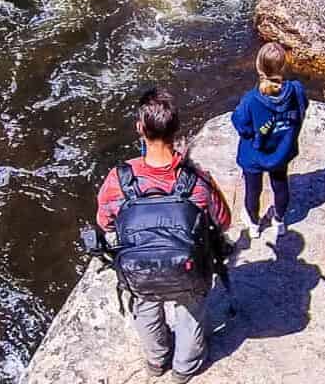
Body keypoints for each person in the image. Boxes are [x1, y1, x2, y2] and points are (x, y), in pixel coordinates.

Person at [97, 87, 231, 382]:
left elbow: (105, 222)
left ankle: (157, 361)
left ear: (139, 129)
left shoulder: (119, 178)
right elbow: (224, 221)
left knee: (145, 305)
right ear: (176, 129)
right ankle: (185, 367)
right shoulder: (197, 180)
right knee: (191, 310)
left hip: (141, 270)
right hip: (188, 269)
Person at [231, 42, 307, 240]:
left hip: (255, 155)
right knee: (280, 184)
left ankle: (254, 224)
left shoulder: (251, 99)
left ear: (259, 68)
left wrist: (257, 131)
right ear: (284, 67)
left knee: (253, 189)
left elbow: (241, 124)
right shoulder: (296, 90)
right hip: (282, 150)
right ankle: (279, 221)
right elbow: (302, 109)